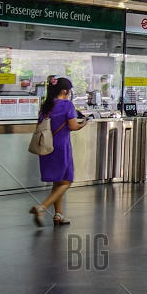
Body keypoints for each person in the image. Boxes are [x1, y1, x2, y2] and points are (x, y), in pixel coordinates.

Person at [30, 77, 87, 227]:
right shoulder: (67, 105)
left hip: (47, 146)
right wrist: (84, 123)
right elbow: (73, 126)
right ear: (64, 91)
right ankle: (41, 208)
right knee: (67, 180)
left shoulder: (45, 106)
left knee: (58, 181)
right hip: (62, 147)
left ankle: (58, 214)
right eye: (69, 91)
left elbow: (39, 126)